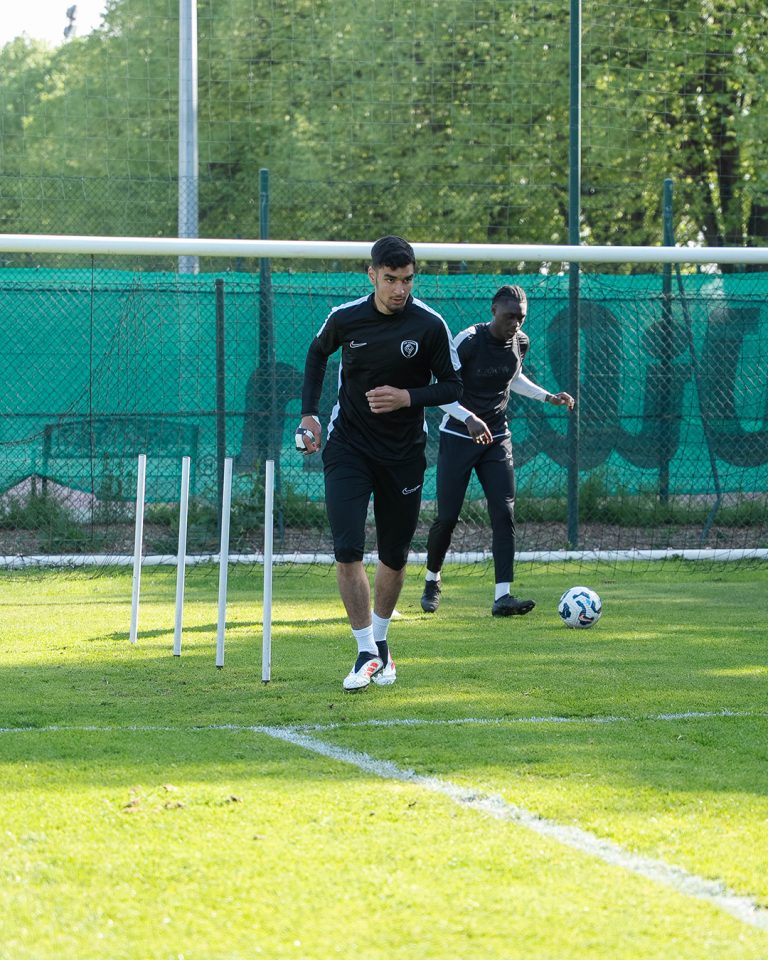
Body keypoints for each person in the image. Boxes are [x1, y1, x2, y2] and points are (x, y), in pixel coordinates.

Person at [296, 236, 463, 691]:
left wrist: (408, 397)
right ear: (371, 275)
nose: (399, 290)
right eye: (390, 280)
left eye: (407, 280)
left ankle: (382, 642)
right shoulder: (345, 318)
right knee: (347, 548)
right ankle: (365, 649)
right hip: (348, 446)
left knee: (394, 554)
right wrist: (309, 413)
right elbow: (316, 353)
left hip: (404, 455)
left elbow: (453, 387)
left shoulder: (430, 326)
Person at [420, 284, 574, 617]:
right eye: (509, 317)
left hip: (497, 437)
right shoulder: (468, 341)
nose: (516, 324)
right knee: (447, 517)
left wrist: (548, 396)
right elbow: (442, 391)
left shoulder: (521, 342)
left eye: (521, 318)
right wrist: (469, 418)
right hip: (459, 435)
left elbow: (513, 378)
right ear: (493, 310)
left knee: (504, 513)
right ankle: (432, 580)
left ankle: (503, 596)